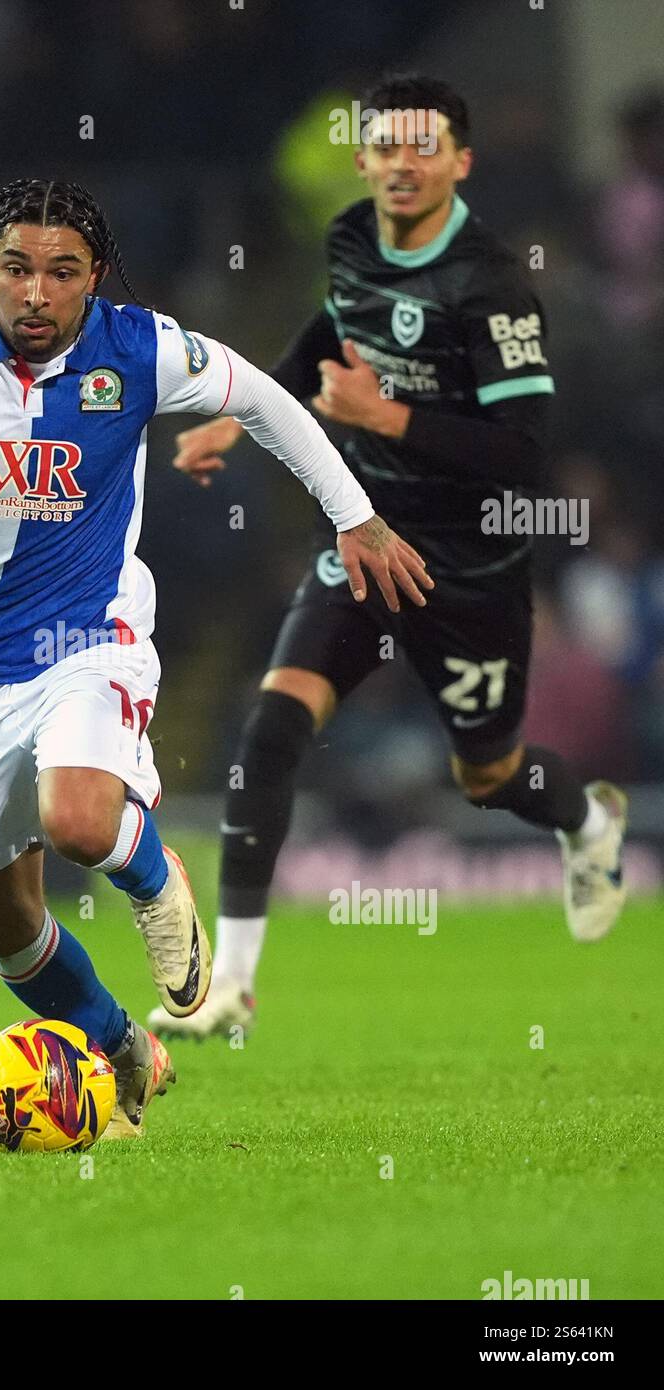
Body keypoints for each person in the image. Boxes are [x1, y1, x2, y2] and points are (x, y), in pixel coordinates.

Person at [0, 178, 428, 1136]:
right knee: (0, 921)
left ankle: (159, 885)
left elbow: (265, 399)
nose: (36, 292)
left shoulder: (139, 348)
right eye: (17, 269)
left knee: (79, 820)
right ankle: (120, 1046)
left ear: (95, 278)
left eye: (62, 272)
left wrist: (355, 515)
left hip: (90, 638)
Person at [161, 74, 628, 1041]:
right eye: (386, 146)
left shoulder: (493, 285)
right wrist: (237, 422)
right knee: (272, 731)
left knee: (489, 780)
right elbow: (326, 336)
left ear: (461, 161)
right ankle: (231, 991)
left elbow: (521, 450)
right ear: (364, 158)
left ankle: (588, 823)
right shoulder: (350, 245)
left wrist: (387, 416)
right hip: (366, 538)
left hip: (468, 566)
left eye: (426, 147)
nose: (402, 164)